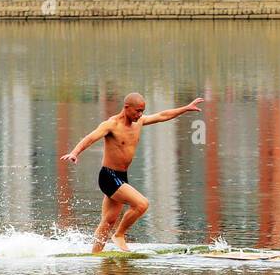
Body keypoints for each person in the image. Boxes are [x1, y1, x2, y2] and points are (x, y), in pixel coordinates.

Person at [61, 93, 203, 253]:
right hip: (108, 176)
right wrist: (74, 152)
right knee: (142, 204)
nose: (140, 114)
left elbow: (162, 115)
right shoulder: (111, 125)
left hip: (121, 177)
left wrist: (185, 108)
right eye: (137, 111)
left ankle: (95, 254)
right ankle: (119, 234)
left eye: (142, 111)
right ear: (127, 108)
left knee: (108, 220)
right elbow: (91, 137)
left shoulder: (139, 122)